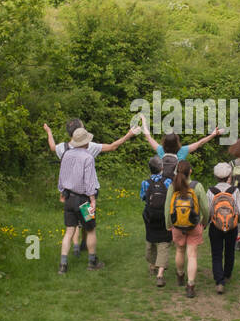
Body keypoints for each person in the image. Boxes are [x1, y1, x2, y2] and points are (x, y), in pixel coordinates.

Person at [51, 122, 139, 274]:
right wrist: (92, 200)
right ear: (85, 142)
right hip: (83, 200)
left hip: (69, 199)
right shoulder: (88, 157)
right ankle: (92, 262)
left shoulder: (65, 155)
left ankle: (63, 265)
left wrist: (62, 192)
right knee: (90, 229)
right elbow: (89, 181)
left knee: (69, 231)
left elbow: (61, 177)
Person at [163, 160, 209, 298]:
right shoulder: (197, 186)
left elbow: (167, 208)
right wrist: (204, 222)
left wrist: (168, 225)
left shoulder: (173, 186)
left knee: (179, 250)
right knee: (192, 255)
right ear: (190, 171)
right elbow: (206, 208)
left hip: (177, 225)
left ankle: (180, 276)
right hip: (194, 225)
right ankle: (190, 285)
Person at [44, 118, 87, 254]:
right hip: (85, 193)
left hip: (69, 194)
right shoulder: (88, 146)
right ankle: (87, 249)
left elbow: (52, 147)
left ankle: (74, 247)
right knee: (88, 222)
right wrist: (128, 135)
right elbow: (112, 146)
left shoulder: (63, 148)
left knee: (72, 224)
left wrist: (49, 132)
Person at [138, 115, 222, 181]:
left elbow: (148, 136)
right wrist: (213, 135)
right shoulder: (183, 150)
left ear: (164, 142)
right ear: (177, 142)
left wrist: (144, 121)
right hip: (177, 183)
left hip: (163, 183)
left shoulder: (160, 150)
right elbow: (200, 143)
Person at [206, 161, 240, 294]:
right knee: (230, 252)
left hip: (215, 227)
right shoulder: (235, 191)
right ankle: (227, 275)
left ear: (216, 176)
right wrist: (237, 223)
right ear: (229, 176)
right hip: (231, 227)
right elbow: (239, 210)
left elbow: (209, 211)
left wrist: (206, 223)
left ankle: (219, 281)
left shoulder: (211, 191)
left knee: (216, 254)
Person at [140, 155, 173, 288]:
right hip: (165, 216)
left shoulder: (145, 183)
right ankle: (160, 274)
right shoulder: (168, 182)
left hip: (150, 216)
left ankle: (152, 265)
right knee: (164, 243)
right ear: (162, 168)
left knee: (151, 240)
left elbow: (143, 197)